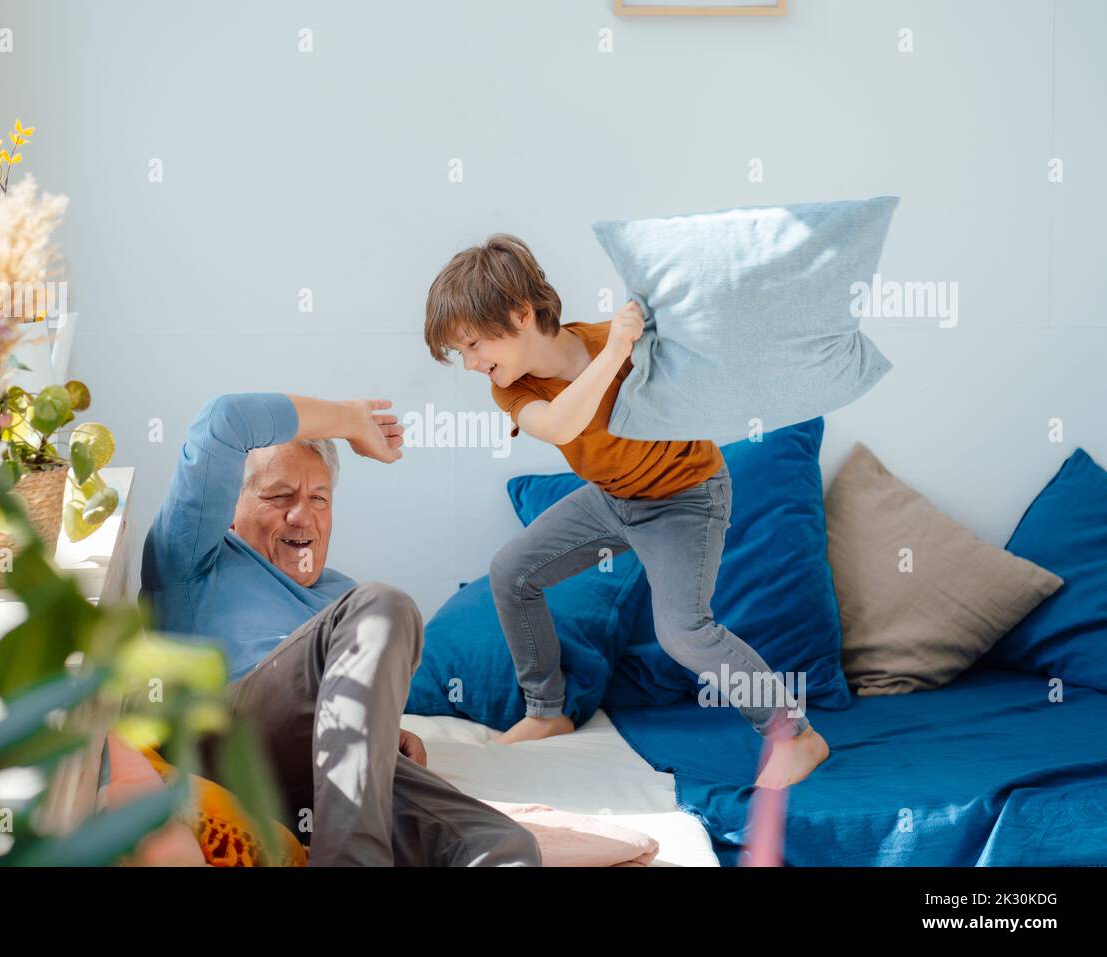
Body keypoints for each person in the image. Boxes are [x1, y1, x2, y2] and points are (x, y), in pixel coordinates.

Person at [422, 234, 830, 789]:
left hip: (686, 497)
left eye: (472, 345)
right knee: (512, 571)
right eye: (461, 353)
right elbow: (560, 423)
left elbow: (706, 365)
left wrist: (656, 330)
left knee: (684, 632)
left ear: (521, 315)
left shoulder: (621, 345)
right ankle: (547, 711)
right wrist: (615, 351)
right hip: (614, 497)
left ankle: (795, 734)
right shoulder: (515, 387)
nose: (470, 364)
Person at [140, 391, 541, 864]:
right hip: (225, 735)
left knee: (506, 847)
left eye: (318, 498)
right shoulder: (192, 559)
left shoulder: (340, 596)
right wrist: (351, 421)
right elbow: (225, 419)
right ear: (230, 507)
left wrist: (386, 729)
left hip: (326, 778)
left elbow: (358, 698)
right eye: (279, 496)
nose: (302, 514)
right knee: (383, 605)